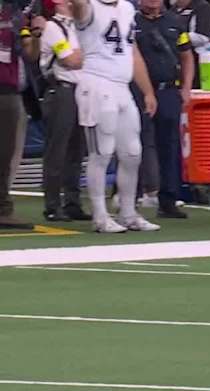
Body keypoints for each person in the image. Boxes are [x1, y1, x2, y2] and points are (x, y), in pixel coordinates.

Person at [71, 0, 160, 233]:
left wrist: (147, 90)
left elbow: (133, 51)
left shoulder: (127, 8)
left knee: (132, 153)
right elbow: (79, 9)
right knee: (101, 152)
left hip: (122, 86)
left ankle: (128, 213)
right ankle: (100, 215)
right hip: (97, 82)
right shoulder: (89, 6)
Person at [29, 0, 91, 221]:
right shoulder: (53, 27)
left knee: (77, 149)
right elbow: (71, 60)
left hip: (78, 90)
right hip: (60, 90)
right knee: (58, 149)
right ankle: (53, 204)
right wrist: (89, 54)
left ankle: (73, 202)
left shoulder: (76, 26)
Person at [135, 0, 194, 219]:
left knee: (169, 145)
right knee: (135, 144)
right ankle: (131, 198)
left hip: (168, 90)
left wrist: (186, 87)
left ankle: (168, 200)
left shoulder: (175, 22)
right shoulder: (132, 22)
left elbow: (186, 55)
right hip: (139, 90)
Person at [0, 0, 32, 229]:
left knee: (5, 154)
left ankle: (3, 208)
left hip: (8, 90)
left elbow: (28, 54)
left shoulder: (14, 14)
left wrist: (35, 33)